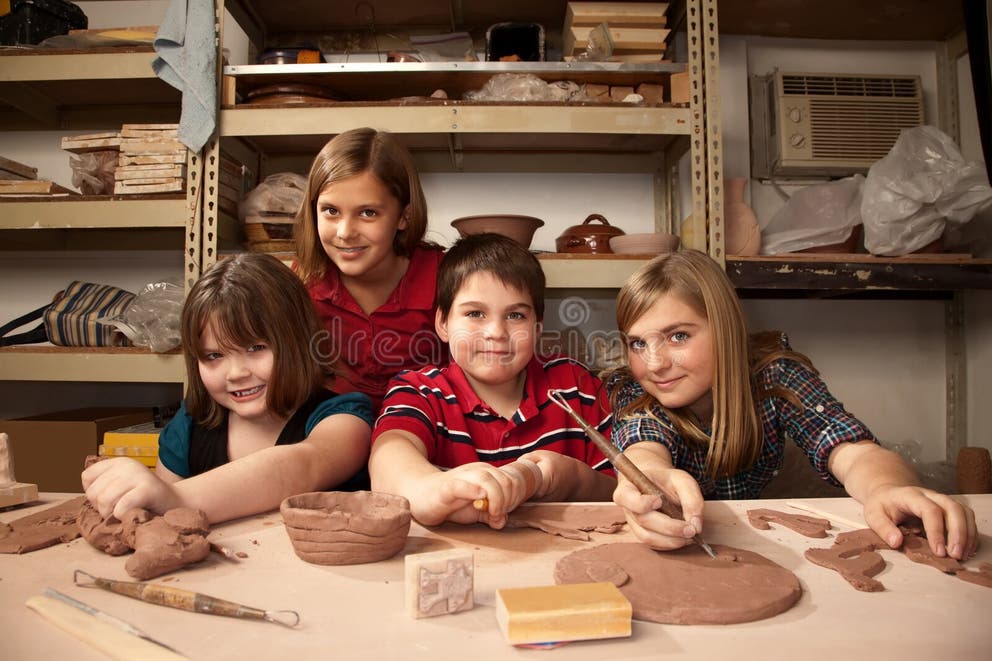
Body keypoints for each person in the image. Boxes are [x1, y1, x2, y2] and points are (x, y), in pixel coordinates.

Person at [607, 249, 978, 560]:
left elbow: (851, 450)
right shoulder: (634, 390)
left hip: (748, 545)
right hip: (672, 551)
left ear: (726, 328)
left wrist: (887, 488)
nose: (654, 363)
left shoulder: (777, 377)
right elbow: (643, 447)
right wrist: (647, 478)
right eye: (639, 343)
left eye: (678, 336)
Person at [82, 253, 373, 524]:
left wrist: (177, 498)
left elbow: (301, 467)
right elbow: (164, 522)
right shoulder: (191, 426)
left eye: (256, 347)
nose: (236, 373)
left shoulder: (345, 421)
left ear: (300, 341)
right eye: (213, 356)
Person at [369, 233, 617, 528]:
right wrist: (431, 488)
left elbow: (621, 491)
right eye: (475, 313)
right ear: (443, 323)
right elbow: (389, 457)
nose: (496, 332)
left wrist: (570, 480)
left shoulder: (576, 387)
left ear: (538, 328)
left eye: (515, 315)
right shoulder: (420, 392)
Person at [295, 127, 446, 412]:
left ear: (404, 216)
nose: (345, 232)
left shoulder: (444, 276)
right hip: (331, 429)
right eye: (330, 211)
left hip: (428, 429)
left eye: (368, 213)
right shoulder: (303, 279)